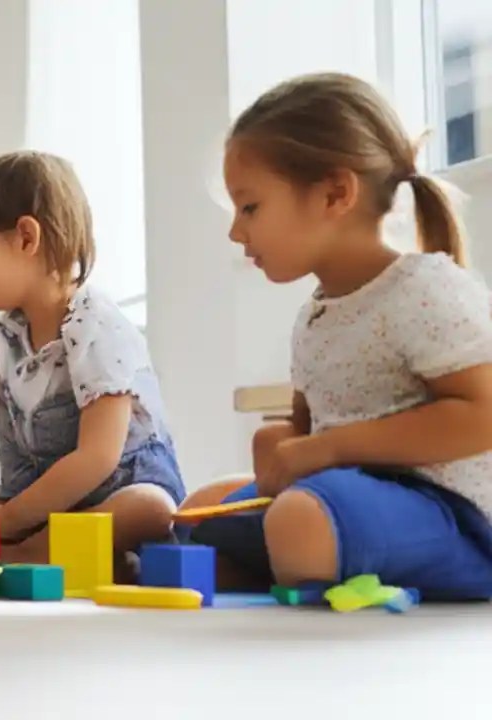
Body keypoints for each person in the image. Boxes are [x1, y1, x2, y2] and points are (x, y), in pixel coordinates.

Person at [187, 72, 492, 600]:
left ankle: (304, 558)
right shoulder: (315, 317)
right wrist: (285, 446)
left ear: (334, 193)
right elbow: (308, 435)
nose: (237, 232)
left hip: (453, 513)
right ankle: (301, 562)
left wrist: (325, 450)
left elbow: (483, 414)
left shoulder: (422, 289)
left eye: (250, 207)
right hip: (346, 497)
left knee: (299, 523)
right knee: (196, 514)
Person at [0, 151, 186, 573]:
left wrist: (13, 518)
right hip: (32, 496)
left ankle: (30, 553)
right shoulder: (9, 332)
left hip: (112, 489)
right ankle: (75, 555)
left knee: (150, 508)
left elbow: (99, 456)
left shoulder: (97, 328)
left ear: (25, 237)